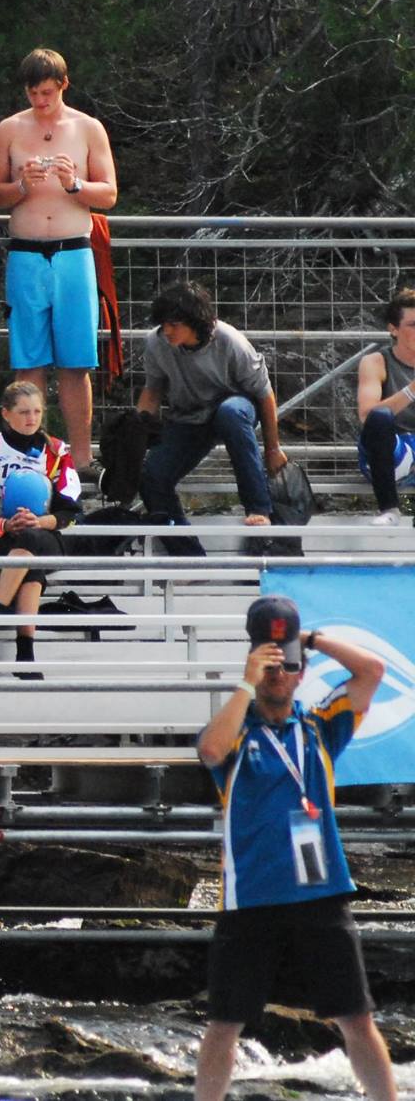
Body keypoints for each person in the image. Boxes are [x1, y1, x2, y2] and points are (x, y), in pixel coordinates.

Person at [193, 596, 392, 1101]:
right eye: (270, 666)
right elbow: (209, 750)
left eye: (287, 667)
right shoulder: (237, 734)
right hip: (252, 900)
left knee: (356, 1018)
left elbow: (372, 669)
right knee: (224, 1023)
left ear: (301, 673)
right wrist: (246, 680)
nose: (279, 674)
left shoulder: (321, 726)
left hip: (321, 894)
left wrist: (307, 641)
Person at [0, 49, 120, 469]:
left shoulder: (87, 128)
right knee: (29, 363)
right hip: (26, 253)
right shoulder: (9, 128)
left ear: (63, 85)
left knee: (76, 363)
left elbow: (109, 194)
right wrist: (22, 185)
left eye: (46, 92)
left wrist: (74, 183)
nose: (40, 101)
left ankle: (80, 459)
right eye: (32, 93)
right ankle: (29, 455)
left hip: (73, 252)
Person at [0, 381, 81, 676]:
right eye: (24, 412)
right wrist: (3, 523)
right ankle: (25, 652)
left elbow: (71, 512)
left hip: (47, 535)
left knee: (31, 539)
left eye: (37, 411)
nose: (32, 418)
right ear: (6, 414)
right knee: (28, 560)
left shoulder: (56, 452)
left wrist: (41, 521)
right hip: (2, 536)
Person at [136, 281, 284, 527]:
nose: (167, 331)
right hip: (188, 416)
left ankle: (259, 509)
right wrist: (137, 435)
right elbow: (152, 390)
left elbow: (264, 394)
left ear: (195, 321)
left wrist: (273, 448)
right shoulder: (156, 342)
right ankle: (182, 545)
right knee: (151, 474)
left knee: (230, 414)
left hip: (233, 407)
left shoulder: (230, 340)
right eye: (163, 325)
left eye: (174, 325)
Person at [354, 287, 415, 527]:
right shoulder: (376, 362)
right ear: (393, 329)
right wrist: (411, 390)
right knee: (379, 415)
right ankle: (389, 509)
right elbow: (366, 415)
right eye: (413, 325)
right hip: (390, 453)